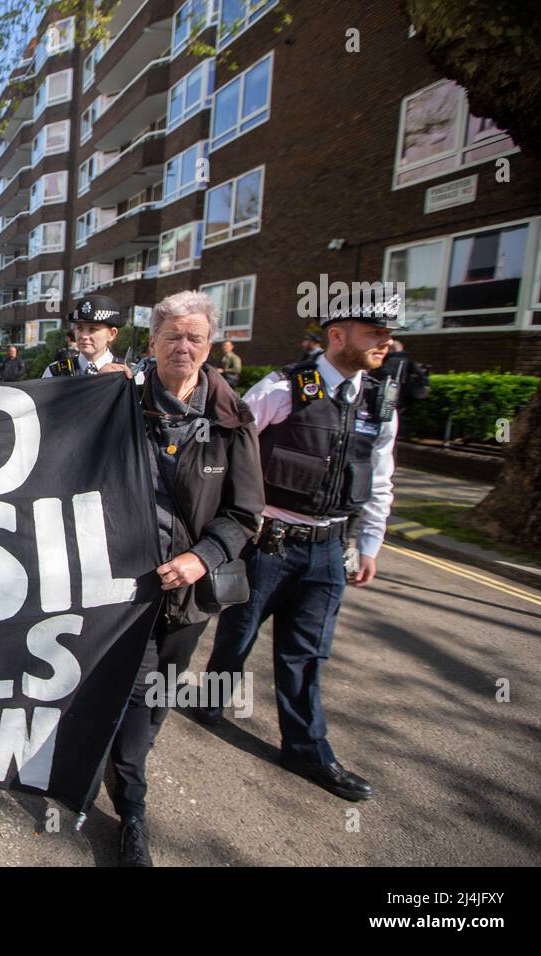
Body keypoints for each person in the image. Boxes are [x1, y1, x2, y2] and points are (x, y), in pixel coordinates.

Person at [196, 298, 403, 804]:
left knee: (306, 654)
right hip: (269, 543)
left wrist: (370, 542)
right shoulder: (284, 389)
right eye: (374, 331)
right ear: (338, 333)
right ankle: (213, 695)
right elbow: (230, 447)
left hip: (329, 549)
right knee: (237, 631)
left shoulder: (379, 401)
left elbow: (381, 478)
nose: (386, 342)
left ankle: (306, 747)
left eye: (389, 334)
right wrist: (229, 527)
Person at [99, 291, 265, 866]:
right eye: (172, 336)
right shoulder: (116, 402)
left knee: (156, 696)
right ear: (152, 342)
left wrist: (204, 556)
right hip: (117, 590)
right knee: (121, 691)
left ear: (210, 344)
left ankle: (126, 782)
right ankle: (131, 811)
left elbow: (246, 512)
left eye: (195, 337)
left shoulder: (232, 416)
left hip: (188, 596)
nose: (184, 347)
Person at [43, 294, 124, 376]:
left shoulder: (127, 373)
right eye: (79, 328)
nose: (84, 336)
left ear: (112, 334)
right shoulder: (55, 372)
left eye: (92, 329)